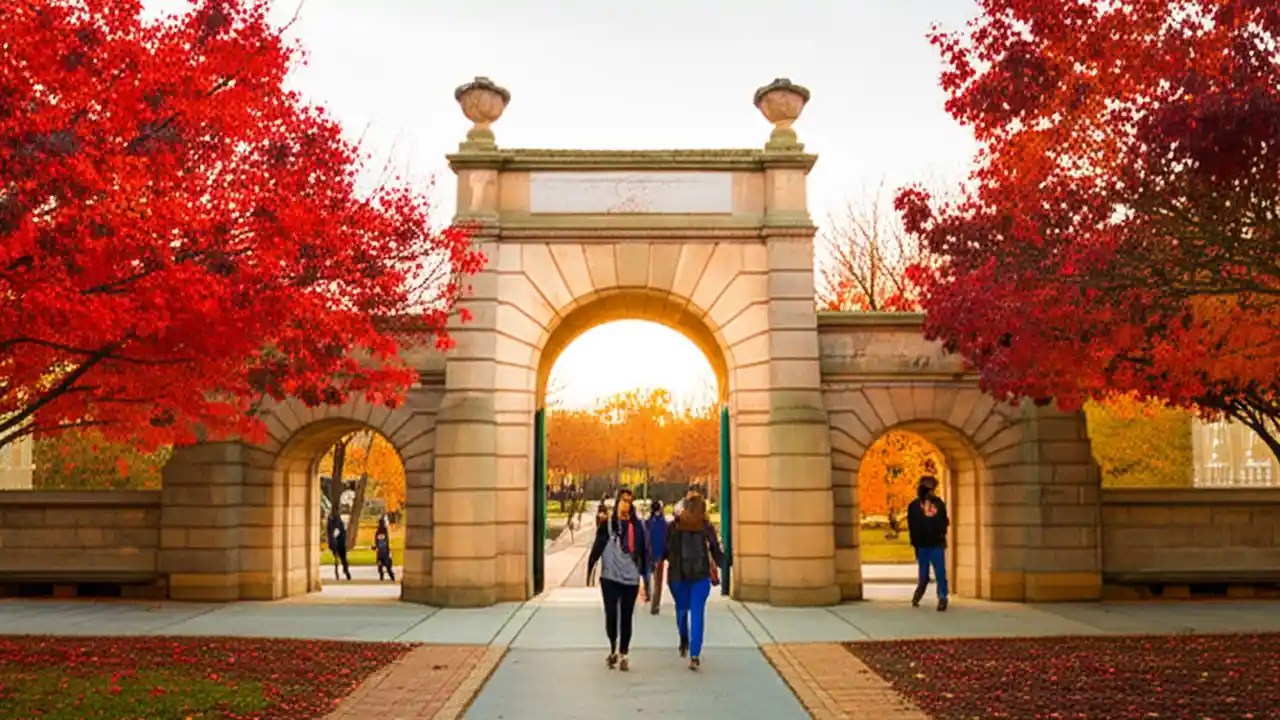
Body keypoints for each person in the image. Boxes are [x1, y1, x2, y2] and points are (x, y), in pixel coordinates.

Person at [586, 488, 649, 672]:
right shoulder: (607, 526)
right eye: (623, 500)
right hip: (610, 578)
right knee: (611, 615)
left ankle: (624, 653)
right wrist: (590, 569)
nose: (626, 503)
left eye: (629, 501)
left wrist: (646, 580)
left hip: (630, 580)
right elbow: (597, 547)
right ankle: (613, 647)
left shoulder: (637, 527)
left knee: (627, 618)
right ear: (617, 502)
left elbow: (644, 553)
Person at [664, 493, 723, 671]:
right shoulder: (706, 527)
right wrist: (725, 562)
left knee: (682, 611)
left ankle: (684, 638)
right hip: (700, 577)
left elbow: (666, 550)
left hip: (677, 577)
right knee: (697, 614)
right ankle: (695, 655)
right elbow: (716, 551)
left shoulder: (674, 526)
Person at [907, 475, 950, 611]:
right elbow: (912, 526)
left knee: (940, 572)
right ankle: (918, 593)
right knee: (923, 574)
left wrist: (941, 536)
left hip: (936, 544)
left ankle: (942, 598)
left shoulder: (939, 504)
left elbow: (944, 521)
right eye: (926, 485)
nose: (928, 488)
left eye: (931, 485)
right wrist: (915, 544)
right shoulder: (914, 506)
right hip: (922, 546)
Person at [644, 499, 669, 615]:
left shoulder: (647, 523)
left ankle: (648, 594)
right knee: (658, 581)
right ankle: (655, 604)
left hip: (649, 554)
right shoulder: (664, 524)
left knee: (648, 576)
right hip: (660, 555)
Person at [326, 513, 352, 581]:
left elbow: (330, 535)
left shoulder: (331, 525)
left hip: (337, 544)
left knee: (338, 558)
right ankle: (345, 571)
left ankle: (340, 572)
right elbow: (343, 533)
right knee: (343, 559)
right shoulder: (340, 524)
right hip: (340, 544)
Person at [372, 516, 395, 582]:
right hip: (384, 551)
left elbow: (377, 542)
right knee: (387, 566)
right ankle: (391, 577)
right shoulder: (384, 531)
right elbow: (387, 542)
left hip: (381, 552)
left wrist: (375, 547)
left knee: (381, 565)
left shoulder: (378, 532)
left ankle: (383, 577)